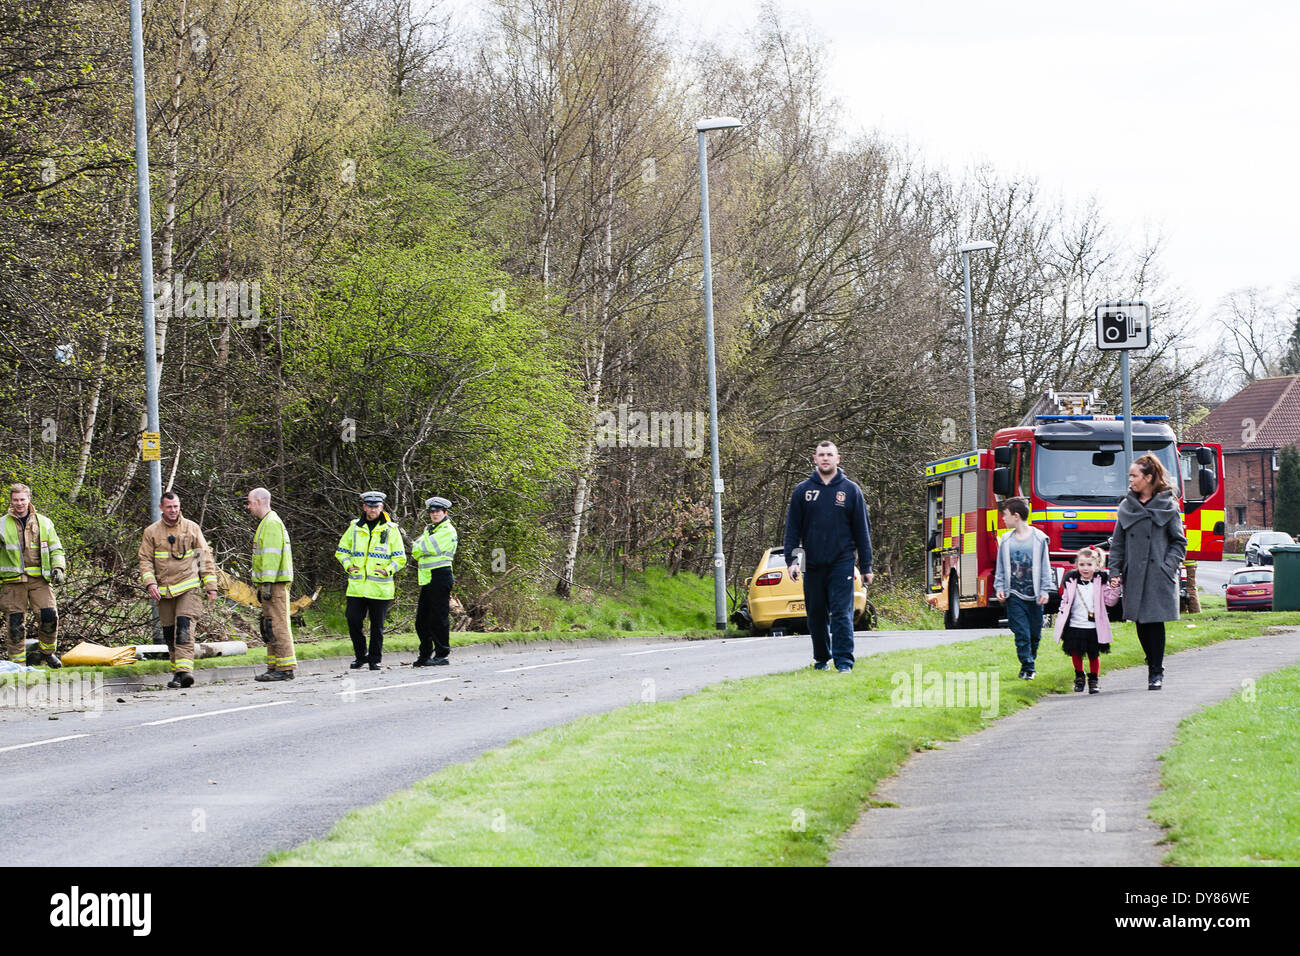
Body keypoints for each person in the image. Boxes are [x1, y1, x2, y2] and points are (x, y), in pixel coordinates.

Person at [783, 440, 873, 673]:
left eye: (829, 454)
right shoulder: (802, 491)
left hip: (842, 563)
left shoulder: (851, 490)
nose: (825, 458)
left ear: (837, 459)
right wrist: (792, 562)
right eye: (821, 455)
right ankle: (822, 659)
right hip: (812, 564)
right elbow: (792, 530)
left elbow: (862, 531)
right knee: (815, 614)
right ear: (815, 459)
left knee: (842, 613)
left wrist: (866, 566)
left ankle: (844, 663)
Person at [1108, 453, 1186, 690]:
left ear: (1149, 477)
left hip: (1158, 574)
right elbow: (1118, 543)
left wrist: (1168, 566)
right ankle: (1151, 661)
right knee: (1141, 622)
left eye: (1134, 476)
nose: (1130, 480)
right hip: (1135, 575)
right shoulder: (1125, 507)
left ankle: (1156, 670)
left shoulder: (1168, 506)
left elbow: (1179, 542)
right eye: (1130, 476)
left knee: (1155, 622)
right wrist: (1114, 572)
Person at [138, 491, 218, 688]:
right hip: (165, 592)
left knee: (183, 628)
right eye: (169, 507)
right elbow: (145, 560)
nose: (173, 511)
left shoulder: (192, 528)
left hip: (189, 588)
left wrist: (211, 586)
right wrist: (150, 583)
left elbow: (203, 558)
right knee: (169, 632)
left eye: (176, 506)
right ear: (161, 508)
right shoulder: (152, 532)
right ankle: (178, 674)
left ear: (179, 506)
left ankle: (185, 671)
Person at [335, 491, 406, 670]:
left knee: (377, 627)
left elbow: (400, 558)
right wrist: (348, 566)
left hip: (380, 588)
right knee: (353, 621)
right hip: (357, 587)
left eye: (376, 506)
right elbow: (341, 551)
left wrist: (387, 570)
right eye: (369, 506)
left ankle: (375, 659)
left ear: (381, 507)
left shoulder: (391, 530)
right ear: (364, 507)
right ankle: (360, 656)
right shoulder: (354, 527)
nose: (372, 509)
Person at [1, 483, 67, 668]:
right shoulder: (2, 524)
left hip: (40, 580)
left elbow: (56, 548)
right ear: (11, 500)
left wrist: (59, 567)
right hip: (13, 583)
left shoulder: (44, 522)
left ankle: (47, 653)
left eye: (22, 499)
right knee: (15, 624)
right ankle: (18, 664)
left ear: (29, 499)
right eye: (15, 500)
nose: (19, 503)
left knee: (49, 617)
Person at [994, 496, 1053, 680]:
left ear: (1016, 516)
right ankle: (1028, 666)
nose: (1003, 518)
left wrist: (1045, 590)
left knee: (1035, 634)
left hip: (1035, 595)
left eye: (1005, 515)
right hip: (1015, 595)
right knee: (1021, 632)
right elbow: (1001, 567)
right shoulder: (1005, 540)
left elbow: (1045, 566)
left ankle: (1030, 660)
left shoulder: (1039, 539)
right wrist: (1000, 587)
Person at [1054, 545, 1122, 694]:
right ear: (1076, 564)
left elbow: (1110, 601)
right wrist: (1061, 613)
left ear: (1097, 565)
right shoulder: (1071, 580)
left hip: (1093, 626)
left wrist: (1116, 588)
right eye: (1082, 564)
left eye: (1089, 565)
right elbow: (1065, 600)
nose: (1085, 568)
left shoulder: (1101, 581)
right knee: (1075, 652)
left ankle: (1093, 680)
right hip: (1075, 624)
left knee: (1093, 654)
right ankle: (1079, 676)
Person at [247, 487, 296, 682]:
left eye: (250, 502)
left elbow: (270, 558)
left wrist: (266, 583)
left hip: (274, 584)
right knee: (269, 626)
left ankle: (285, 668)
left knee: (278, 625)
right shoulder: (267, 523)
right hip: (269, 585)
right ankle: (275, 666)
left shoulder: (271, 524)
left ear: (259, 501)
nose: (248, 507)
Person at [411, 496, 458, 667]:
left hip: (441, 575)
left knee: (438, 618)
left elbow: (423, 547)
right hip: (428, 577)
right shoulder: (429, 530)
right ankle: (425, 654)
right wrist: (420, 546)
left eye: (438, 511)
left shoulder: (447, 530)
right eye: (432, 511)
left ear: (445, 512)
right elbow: (416, 551)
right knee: (421, 620)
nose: (434, 514)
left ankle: (442, 654)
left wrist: (419, 546)